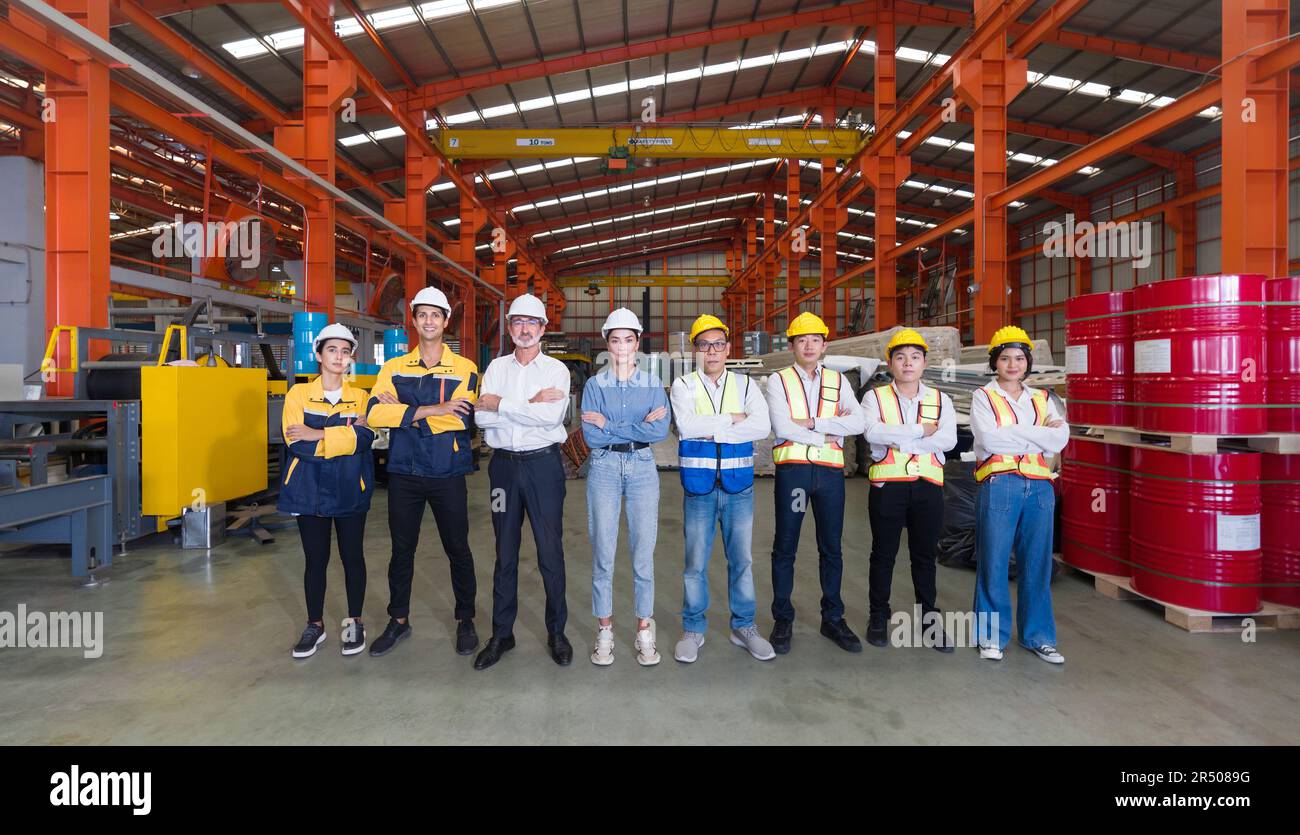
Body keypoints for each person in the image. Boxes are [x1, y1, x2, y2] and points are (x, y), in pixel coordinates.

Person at [365, 286, 482, 658]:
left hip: (447, 472)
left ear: (446, 321)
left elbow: (461, 418)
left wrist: (406, 412)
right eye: (422, 315)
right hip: (404, 472)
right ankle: (398, 619)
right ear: (413, 321)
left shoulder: (466, 368)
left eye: (436, 315)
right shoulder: (393, 367)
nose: (429, 321)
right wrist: (434, 408)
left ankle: (466, 619)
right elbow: (374, 414)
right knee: (402, 550)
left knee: (458, 548)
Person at [472, 293, 573, 670]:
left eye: (532, 323)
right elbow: (481, 420)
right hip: (503, 469)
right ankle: (502, 634)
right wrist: (530, 405)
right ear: (510, 328)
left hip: (543, 468)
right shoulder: (496, 367)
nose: (525, 329)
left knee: (550, 551)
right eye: (518, 322)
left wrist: (503, 405)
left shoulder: (556, 372)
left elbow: (551, 420)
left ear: (544, 328)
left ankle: (557, 632)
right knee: (505, 552)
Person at [670, 314, 774, 663]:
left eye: (717, 344)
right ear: (695, 349)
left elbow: (761, 427)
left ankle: (744, 626)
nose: (711, 351)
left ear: (728, 348)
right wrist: (733, 419)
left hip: (738, 487)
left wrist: (712, 428)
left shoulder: (745, 386)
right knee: (695, 563)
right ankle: (693, 629)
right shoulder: (684, 386)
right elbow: (686, 426)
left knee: (741, 560)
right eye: (704, 345)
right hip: (699, 487)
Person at [765, 311, 866, 654]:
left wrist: (810, 423)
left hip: (829, 477)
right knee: (786, 546)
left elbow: (858, 422)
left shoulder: (838, 382)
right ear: (791, 345)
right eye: (801, 340)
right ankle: (783, 618)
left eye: (815, 340)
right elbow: (782, 426)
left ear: (824, 346)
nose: (808, 345)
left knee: (831, 547)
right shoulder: (779, 380)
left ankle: (833, 618)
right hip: (794, 473)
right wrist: (828, 429)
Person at [970, 325, 1069, 664]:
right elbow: (990, 439)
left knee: (1037, 566)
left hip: (1040, 487)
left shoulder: (1043, 398)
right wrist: (1038, 434)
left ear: (1027, 362)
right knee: (993, 562)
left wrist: (1013, 433)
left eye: (1019, 358)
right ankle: (990, 637)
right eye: (1005, 358)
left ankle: (1038, 636)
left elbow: (1059, 440)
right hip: (1001, 485)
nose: (1012, 365)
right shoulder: (984, 396)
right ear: (994, 363)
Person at [580, 308, 670, 666]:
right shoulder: (593, 386)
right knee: (603, 553)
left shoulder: (651, 384)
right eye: (615, 340)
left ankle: (644, 630)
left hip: (643, 467)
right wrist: (635, 423)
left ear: (638, 342)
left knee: (642, 555)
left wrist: (611, 424)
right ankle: (605, 631)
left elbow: (659, 432)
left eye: (628, 340)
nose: (621, 347)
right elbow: (590, 436)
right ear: (607, 343)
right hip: (603, 467)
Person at [281, 323, 375, 658]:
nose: (339, 356)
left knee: (353, 559)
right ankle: (315, 625)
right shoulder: (298, 395)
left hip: (351, 488)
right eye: (332, 350)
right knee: (315, 560)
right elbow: (296, 444)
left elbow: (366, 441)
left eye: (345, 351)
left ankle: (354, 622)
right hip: (309, 491)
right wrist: (342, 438)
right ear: (318, 355)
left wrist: (317, 433)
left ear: (351, 359)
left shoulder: (361, 398)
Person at [861, 328, 958, 651]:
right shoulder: (874, 397)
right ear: (890, 363)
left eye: (914, 357)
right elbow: (873, 433)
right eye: (900, 357)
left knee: (924, 556)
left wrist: (899, 436)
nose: (907, 364)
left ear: (924, 363)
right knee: (883, 555)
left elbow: (948, 440)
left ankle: (930, 619)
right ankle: (878, 616)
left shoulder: (939, 399)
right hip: (889, 486)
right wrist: (920, 432)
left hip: (928, 487)